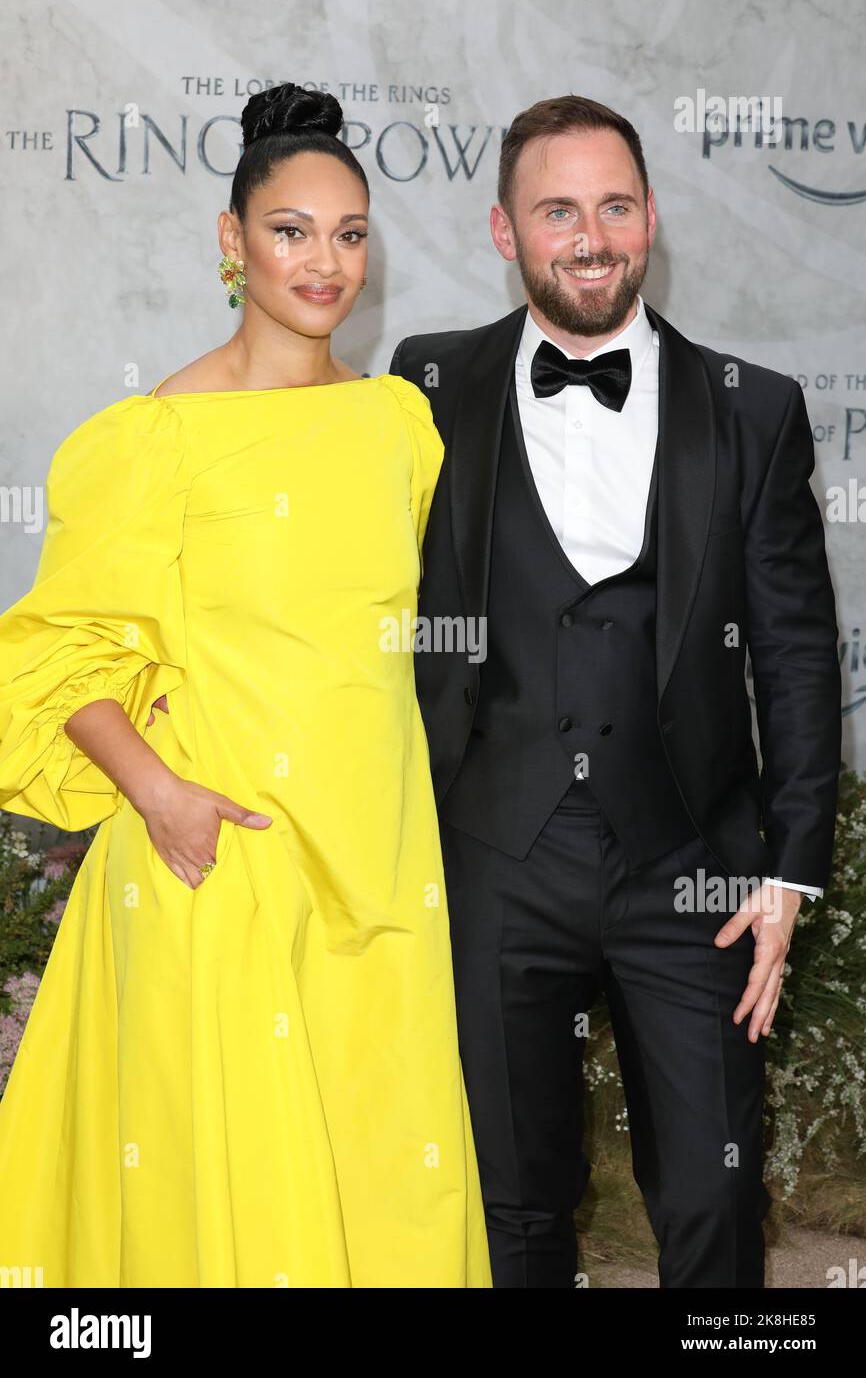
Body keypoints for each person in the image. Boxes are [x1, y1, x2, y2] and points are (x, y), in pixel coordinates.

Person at [0, 83, 491, 1288]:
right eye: (290, 230)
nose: (324, 262)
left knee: (389, 1174)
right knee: (224, 1201)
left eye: (349, 233)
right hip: (220, 857)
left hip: (374, 862)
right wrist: (160, 792)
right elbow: (56, 656)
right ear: (232, 241)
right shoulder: (152, 437)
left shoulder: (395, 428)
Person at [389, 95, 842, 1288]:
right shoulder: (424, 385)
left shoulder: (752, 409)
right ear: (502, 230)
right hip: (493, 855)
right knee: (509, 1204)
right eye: (556, 211)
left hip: (692, 867)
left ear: (651, 216)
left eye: (613, 205)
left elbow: (795, 651)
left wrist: (788, 873)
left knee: (712, 1198)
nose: (588, 236)